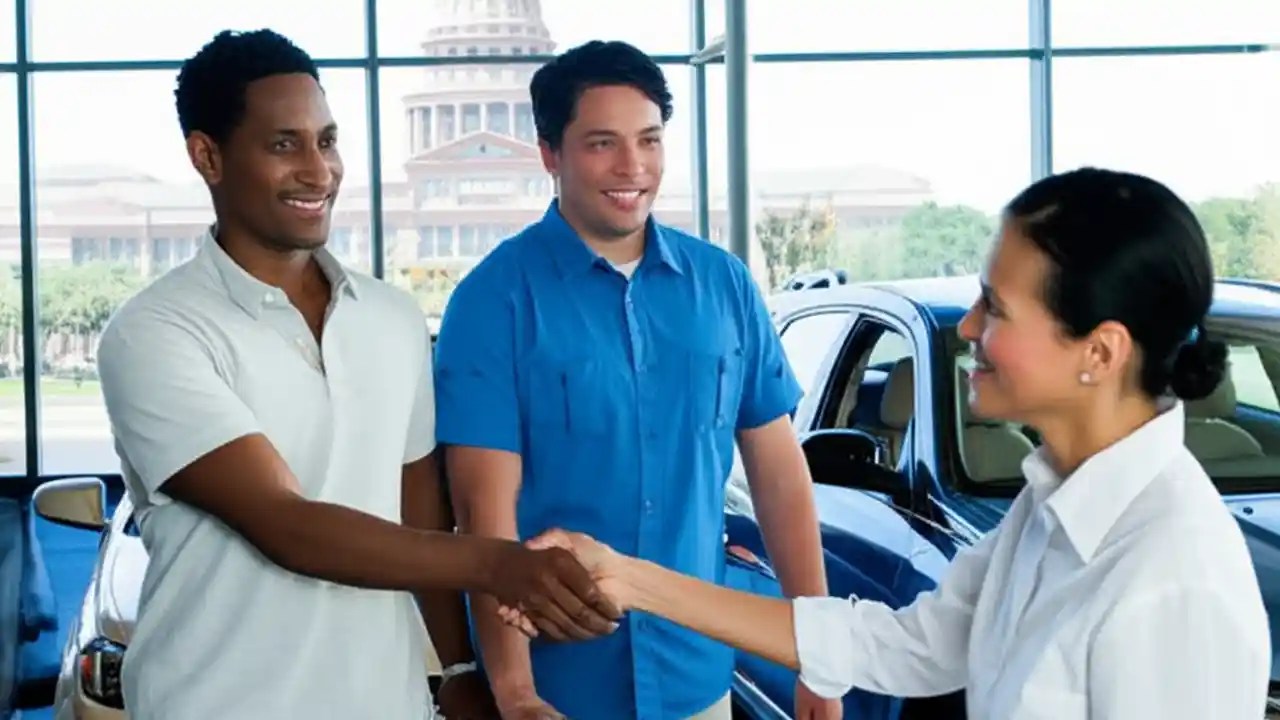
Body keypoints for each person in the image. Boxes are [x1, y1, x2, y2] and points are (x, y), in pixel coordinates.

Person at [511, 167, 1274, 719]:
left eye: (996, 309)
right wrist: (629, 579)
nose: (971, 328)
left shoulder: (1173, 576)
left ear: (1099, 353)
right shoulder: (1051, 511)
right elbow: (907, 644)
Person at [95, 29, 618, 720]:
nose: (319, 170)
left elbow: (416, 507)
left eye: (327, 140)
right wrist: (499, 565)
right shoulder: (154, 333)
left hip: (384, 702)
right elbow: (287, 525)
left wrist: (459, 666)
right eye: (284, 145)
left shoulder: (392, 318)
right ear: (207, 156)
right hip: (214, 702)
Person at [433, 40, 841, 720]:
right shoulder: (492, 301)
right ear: (549, 153)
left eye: (649, 140)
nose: (633, 167)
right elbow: (485, 518)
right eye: (602, 144)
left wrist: (819, 662)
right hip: (561, 688)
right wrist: (515, 692)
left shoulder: (725, 286)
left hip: (698, 676)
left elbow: (779, 480)